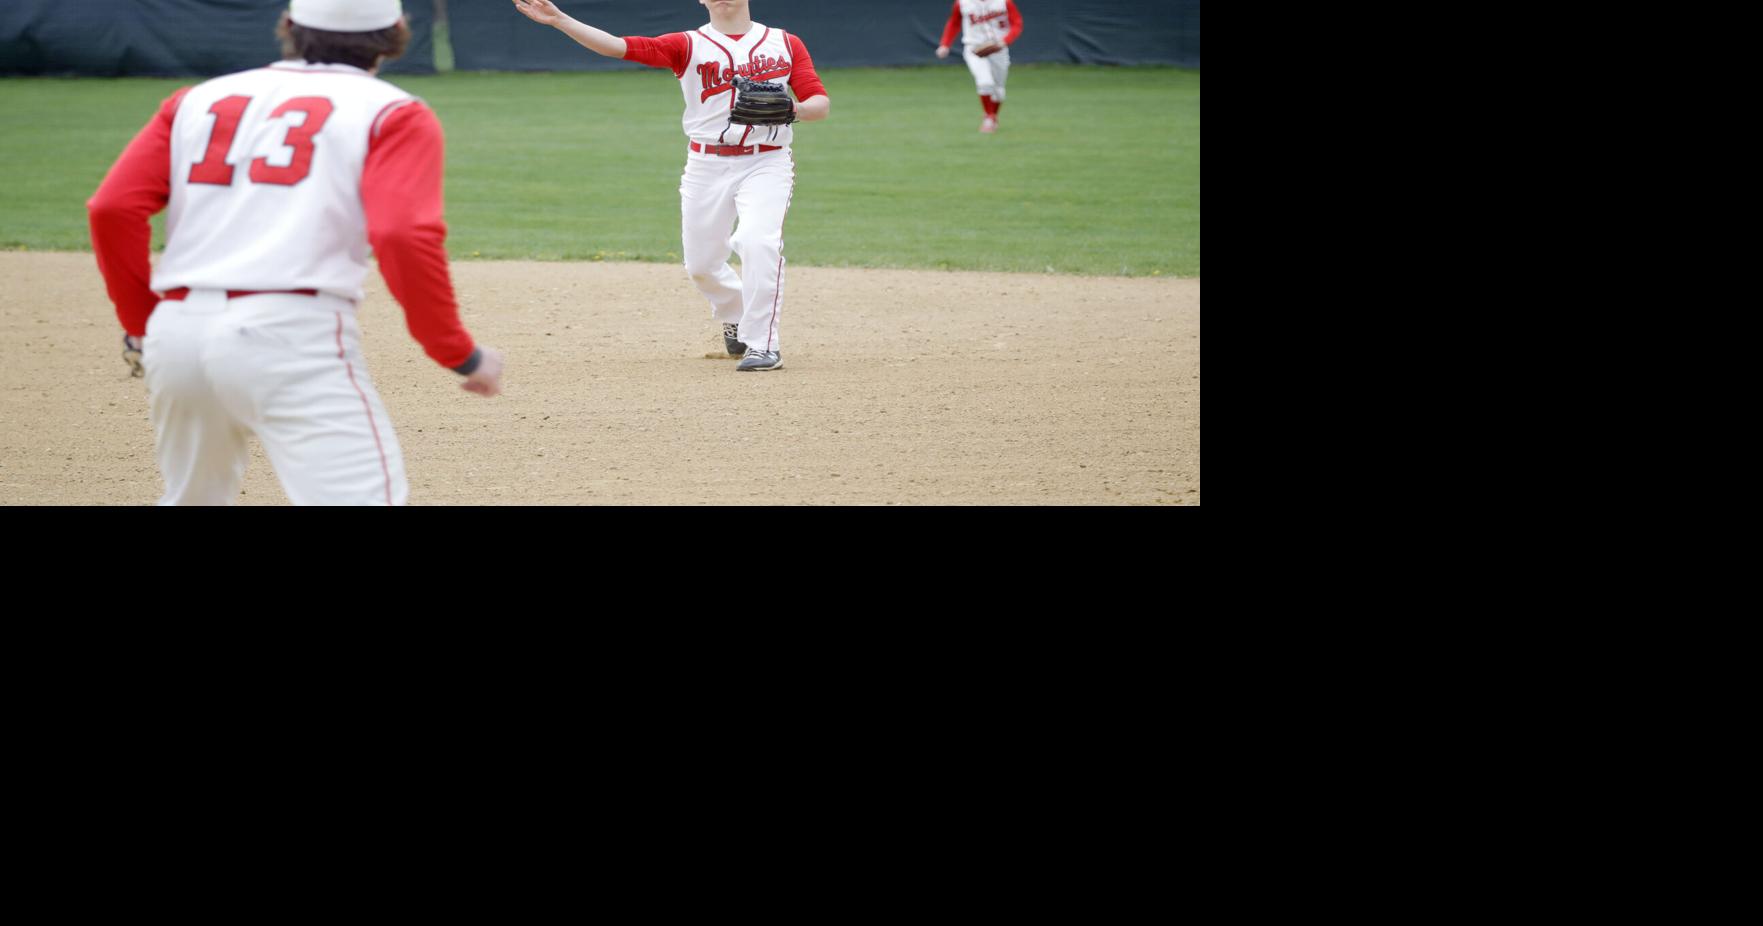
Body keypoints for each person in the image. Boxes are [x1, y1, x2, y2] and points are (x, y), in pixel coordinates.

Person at [88, 0, 503, 506]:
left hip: (176, 338)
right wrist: (457, 353)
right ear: (396, 34)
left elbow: (111, 209)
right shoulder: (394, 111)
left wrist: (142, 324)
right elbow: (401, 235)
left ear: (289, 27)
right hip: (291, 335)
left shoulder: (195, 100)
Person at [512, 0, 829, 372]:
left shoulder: (784, 43)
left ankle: (763, 344)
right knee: (701, 265)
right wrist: (560, 20)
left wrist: (793, 110)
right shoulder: (688, 44)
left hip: (766, 160)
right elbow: (618, 46)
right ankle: (734, 311)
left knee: (757, 241)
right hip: (705, 164)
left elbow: (819, 104)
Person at [935, 0, 1024, 134]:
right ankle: (988, 117)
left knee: (998, 90)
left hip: (998, 49)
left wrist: (1005, 41)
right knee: (985, 82)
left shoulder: (1004, 2)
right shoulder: (963, 3)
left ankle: (993, 116)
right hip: (974, 49)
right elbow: (953, 23)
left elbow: (1017, 24)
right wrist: (945, 44)